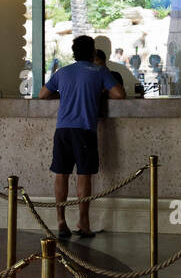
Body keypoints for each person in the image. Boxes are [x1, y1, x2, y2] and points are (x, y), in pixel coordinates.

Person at [40, 35, 125, 238]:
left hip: (62, 130)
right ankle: (83, 221)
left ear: (74, 52)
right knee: (83, 175)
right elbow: (119, 94)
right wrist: (99, 92)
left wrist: (64, 94)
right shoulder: (99, 71)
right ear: (92, 52)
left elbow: (43, 94)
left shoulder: (63, 72)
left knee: (61, 173)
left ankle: (60, 221)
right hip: (85, 130)